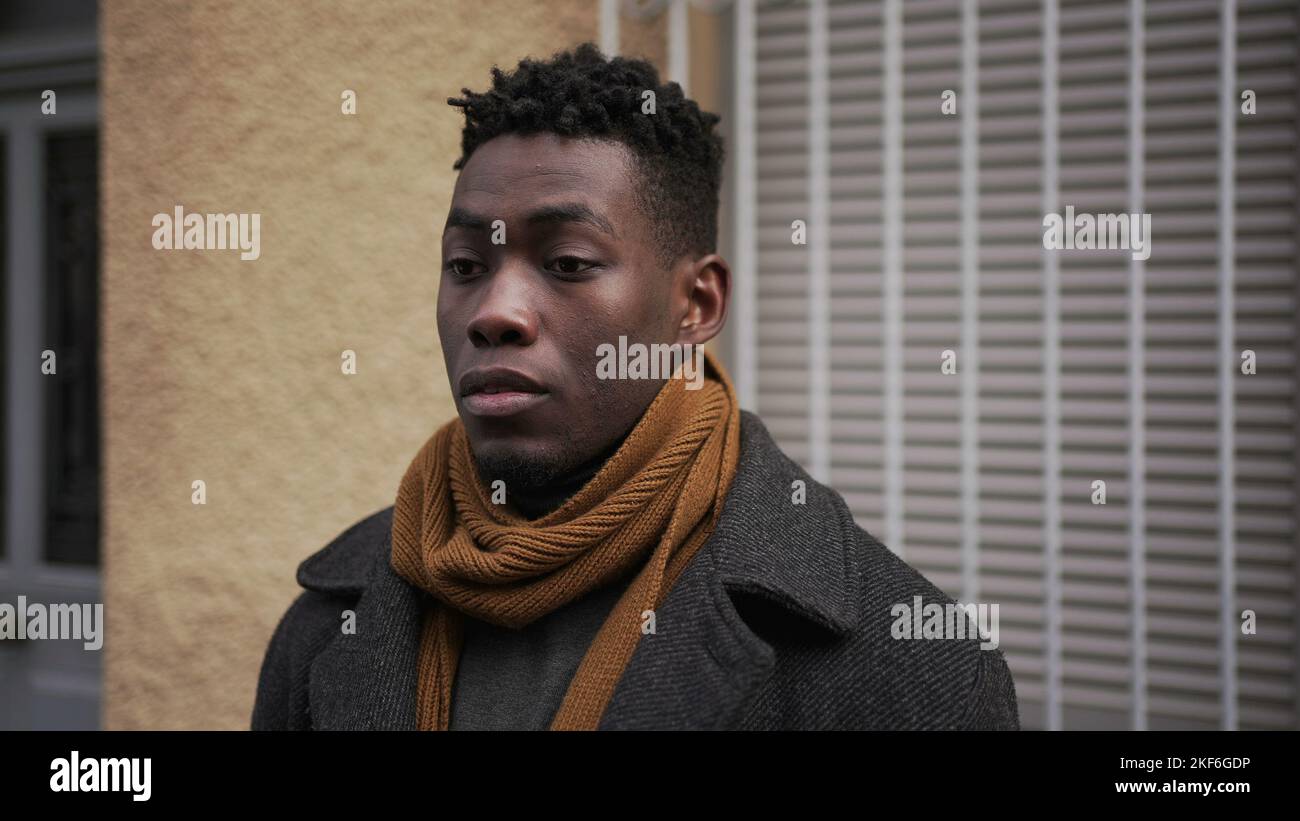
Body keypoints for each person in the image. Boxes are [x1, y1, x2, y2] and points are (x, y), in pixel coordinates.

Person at [251, 42, 1019, 730]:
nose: (494, 312)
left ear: (697, 304)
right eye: (465, 266)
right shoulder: (329, 620)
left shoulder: (911, 670)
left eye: (568, 263)